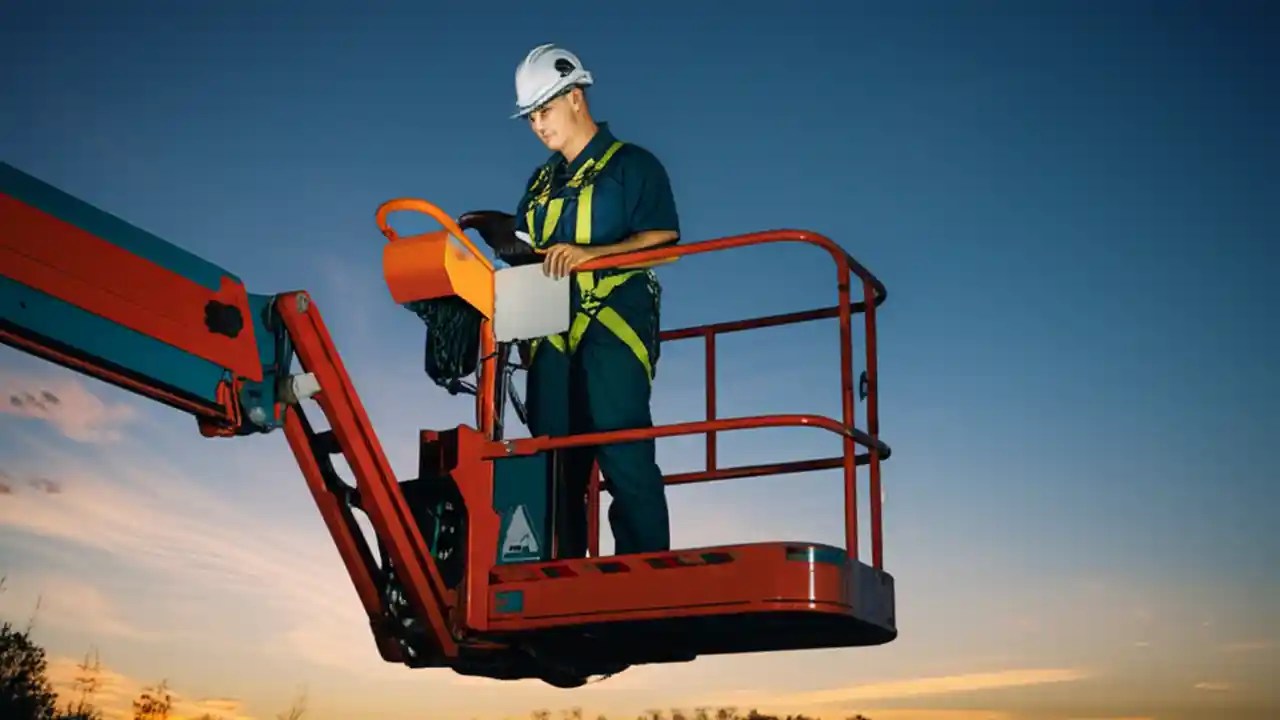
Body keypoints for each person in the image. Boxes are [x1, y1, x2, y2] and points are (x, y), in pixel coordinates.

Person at [510, 43, 679, 558]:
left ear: (576, 97)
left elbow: (666, 246)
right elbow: (520, 254)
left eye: (545, 110)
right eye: (531, 116)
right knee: (553, 466)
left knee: (623, 452)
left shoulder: (633, 166)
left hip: (614, 327)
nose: (538, 125)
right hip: (547, 338)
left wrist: (591, 255)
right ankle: (554, 588)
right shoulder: (539, 184)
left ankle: (644, 581)